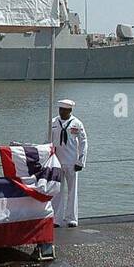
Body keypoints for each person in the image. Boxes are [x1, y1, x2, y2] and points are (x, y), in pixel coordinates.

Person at [48, 97, 87, 227]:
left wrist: (80, 161)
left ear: (70, 110)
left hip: (71, 161)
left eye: (64, 110)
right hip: (57, 161)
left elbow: (83, 143)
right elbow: (47, 141)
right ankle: (56, 219)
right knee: (57, 192)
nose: (61, 112)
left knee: (72, 191)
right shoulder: (53, 122)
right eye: (60, 109)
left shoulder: (77, 123)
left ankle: (71, 218)